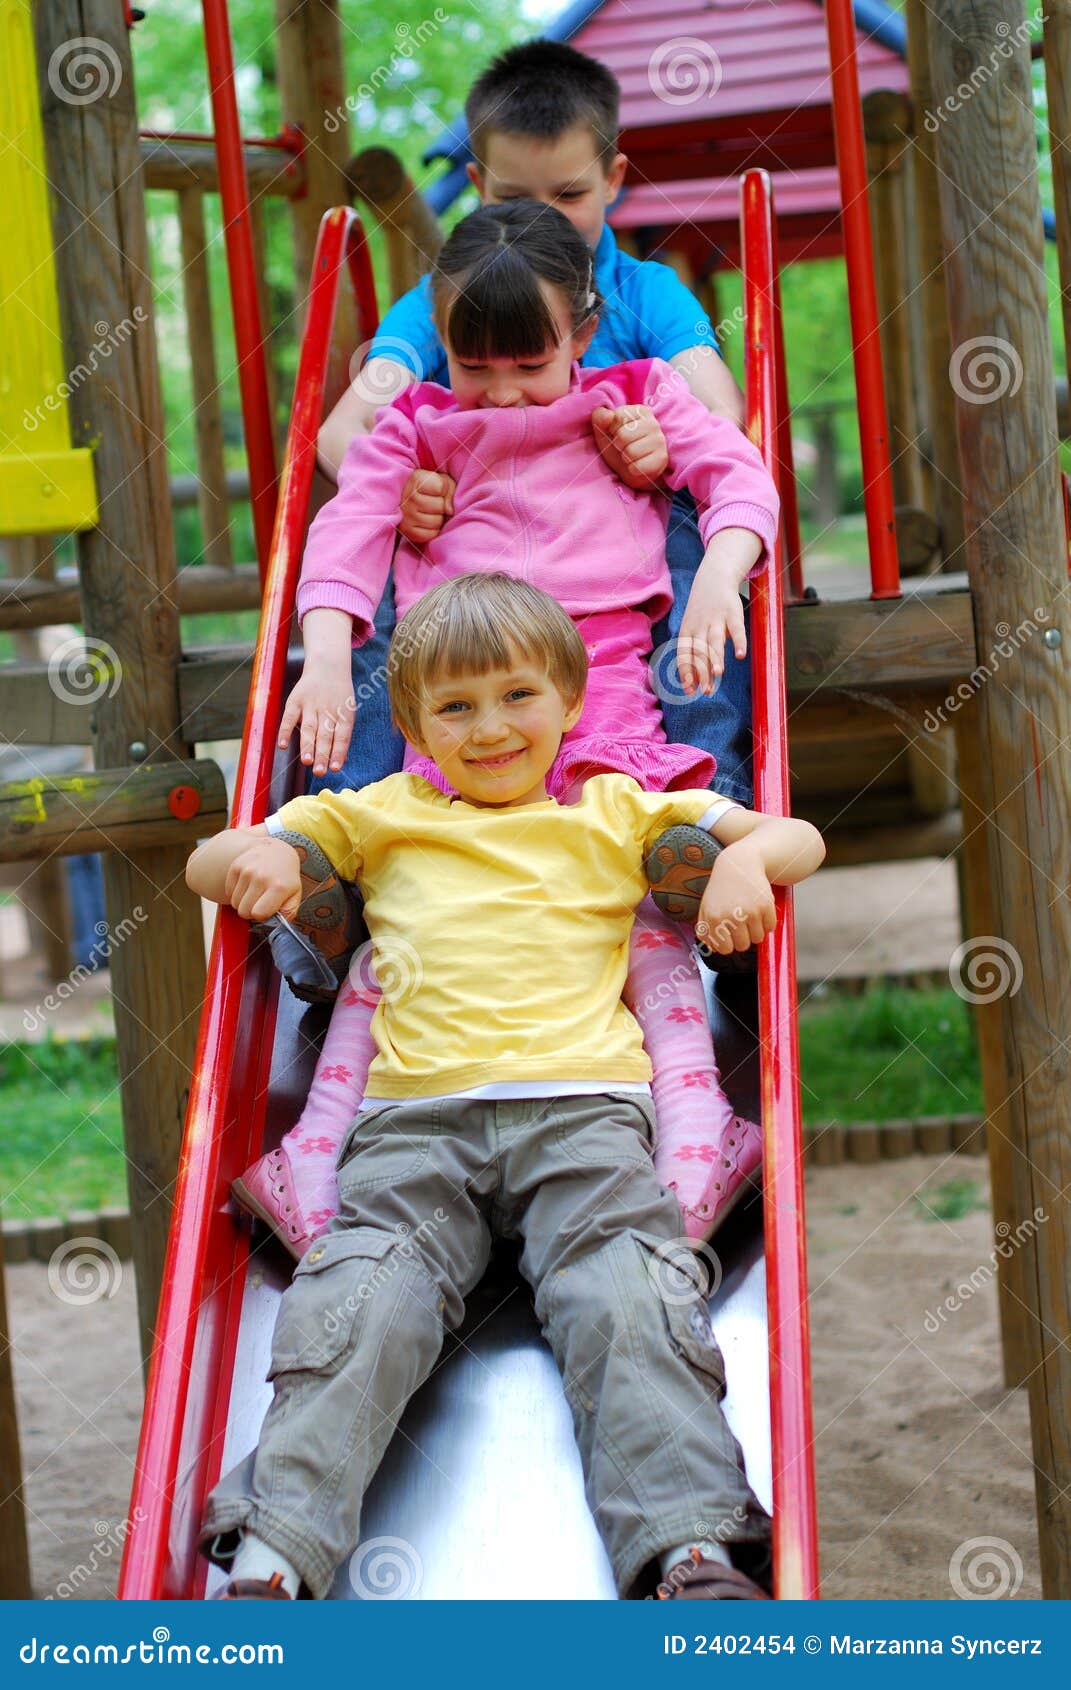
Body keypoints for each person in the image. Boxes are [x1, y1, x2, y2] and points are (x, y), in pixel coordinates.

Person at [188, 572, 826, 1602]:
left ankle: (690, 1553)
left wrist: (745, 866)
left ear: (571, 702)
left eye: (518, 695)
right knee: (356, 1306)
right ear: (411, 728)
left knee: (630, 1297)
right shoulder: (377, 815)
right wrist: (249, 860)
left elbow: (795, 837)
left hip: (583, 1123)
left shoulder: (615, 810)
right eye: (455, 706)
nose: (489, 728)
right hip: (412, 1132)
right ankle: (269, 1568)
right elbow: (211, 858)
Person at [233, 198, 780, 1257]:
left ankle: (700, 1123)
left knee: (624, 896)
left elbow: (735, 472)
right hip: (466, 715)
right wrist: (329, 652)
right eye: (472, 366)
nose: (501, 392)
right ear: (442, 344)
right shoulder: (419, 425)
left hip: (591, 702)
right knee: (411, 913)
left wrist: (720, 573)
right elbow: (346, 527)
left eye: (529, 365)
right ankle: (310, 1152)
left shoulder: (632, 397)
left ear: (582, 332)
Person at [313, 36, 752, 806]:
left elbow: (719, 412)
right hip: (476, 541)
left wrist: (656, 451)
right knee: (374, 564)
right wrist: (407, 487)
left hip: (617, 535)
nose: (538, 220)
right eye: (514, 197)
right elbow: (343, 431)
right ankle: (351, 803)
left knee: (694, 546)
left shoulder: (642, 293)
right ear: (478, 185)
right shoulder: (449, 301)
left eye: (568, 195)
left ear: (612, 179)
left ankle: (708, 791)